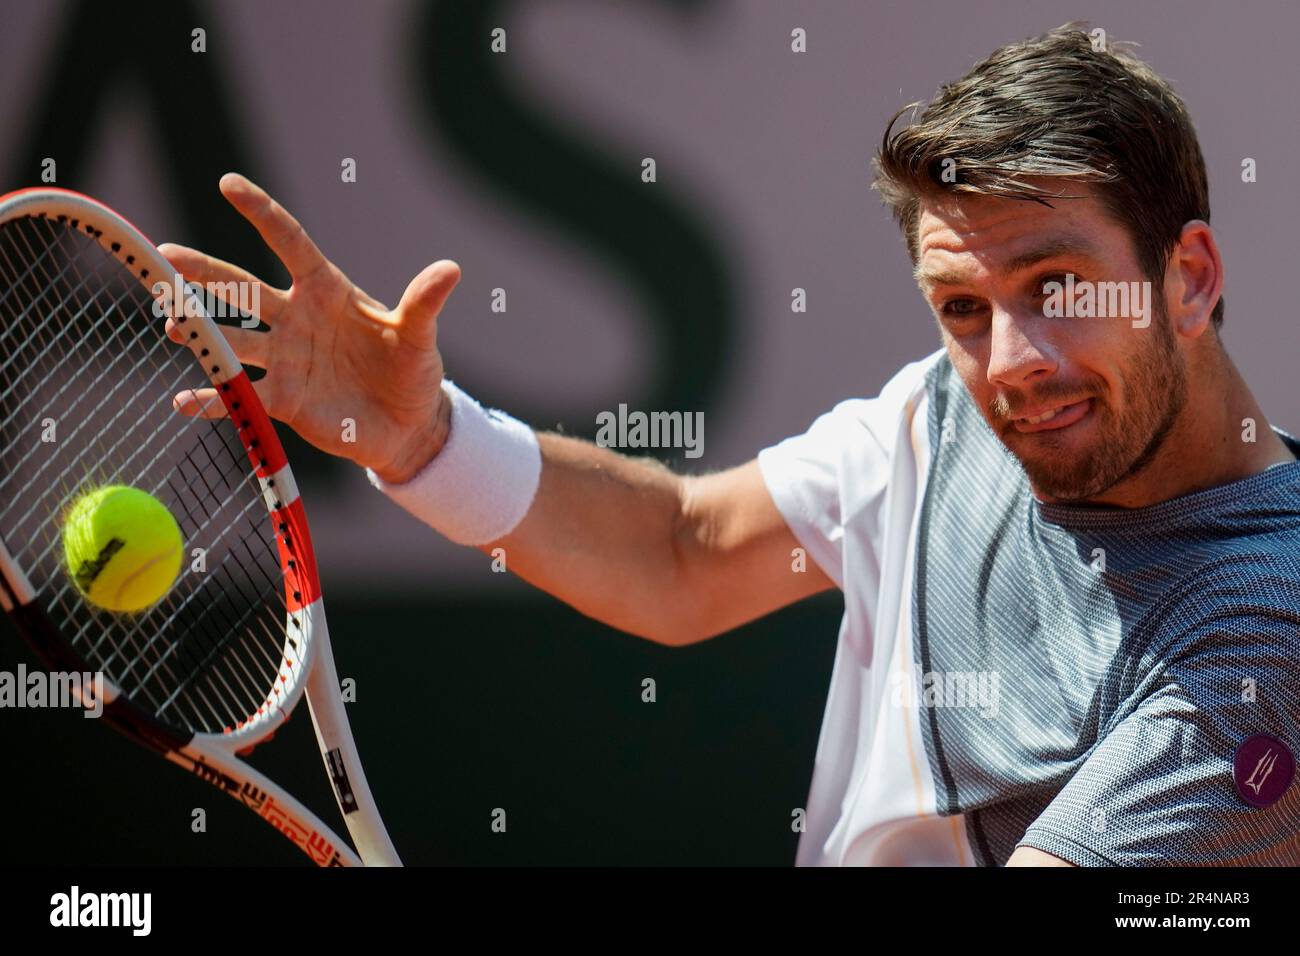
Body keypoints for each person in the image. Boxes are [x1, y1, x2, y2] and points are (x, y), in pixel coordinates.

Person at [160, 23, 1300, 866]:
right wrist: (427, 435)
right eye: (963, 306)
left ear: (1187, 277)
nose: (1012, 359)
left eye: (1056, 284)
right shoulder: (937, 422)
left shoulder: (1268, 625)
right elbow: (683, 547)